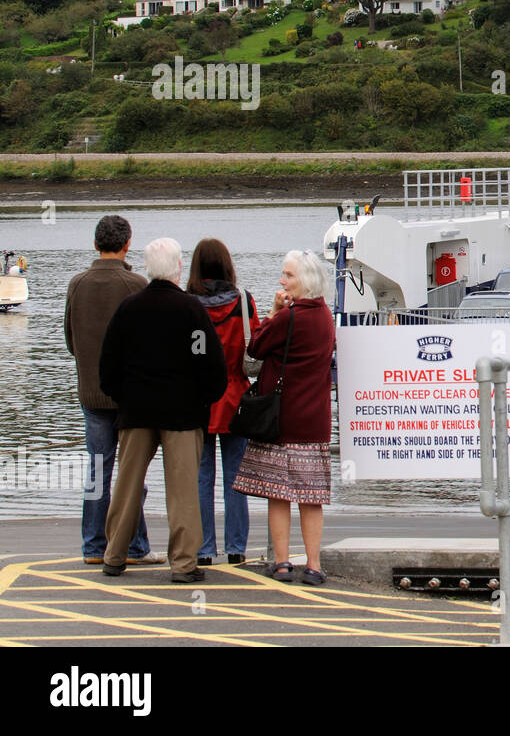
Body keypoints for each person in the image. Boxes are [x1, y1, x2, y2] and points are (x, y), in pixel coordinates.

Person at [99, 238, 227, 582]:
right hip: (181, 413)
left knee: (126, 486)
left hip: (136, 411)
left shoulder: (128, 309)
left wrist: (122, 396)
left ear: (146, 268)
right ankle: (184, 564)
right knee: (183, 490)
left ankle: (113, 555)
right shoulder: (191, 311)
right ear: (178, 267)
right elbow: (208, 362)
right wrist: (205, 398)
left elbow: (108, 365)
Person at [234, 250, 336, 586]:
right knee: (311, 499)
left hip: (281, 421)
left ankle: (281, 562)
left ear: (303, 281)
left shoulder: (288, 317)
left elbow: (256, 348)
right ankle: (314, 564)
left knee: (278, 495)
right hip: (314, 422)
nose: (282, 280)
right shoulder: (324, 317)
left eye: (288, 275)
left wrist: (273, 311)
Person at [64, 215, 160, 566]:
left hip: (90, 392)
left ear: (95, 244)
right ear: (127, 244)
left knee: (96, 471)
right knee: (131, 471)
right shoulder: (135, 283)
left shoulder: (77, 283)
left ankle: (92, 545)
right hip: (129, 394)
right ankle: (134, 546)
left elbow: (70, 339)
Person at [186, 238, 259, 566]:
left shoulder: (187, 304)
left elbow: (184, 351)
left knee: (201, 475)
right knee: (236, 474)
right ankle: (236, 547)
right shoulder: (244, 302)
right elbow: (254, 346)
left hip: (199, 395)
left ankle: (203, 550)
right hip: (235, 395)